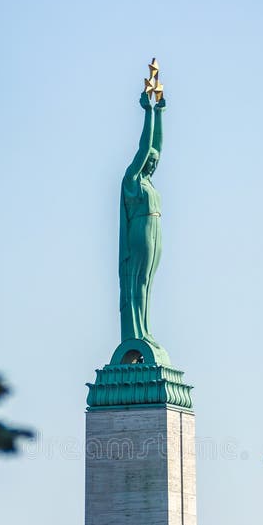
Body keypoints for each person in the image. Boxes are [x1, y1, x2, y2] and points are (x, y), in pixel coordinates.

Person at [119, 91, 166, 345]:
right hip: (140, 233)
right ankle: (135, 331)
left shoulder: (149, 182)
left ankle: (144, 330)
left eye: (155, 162)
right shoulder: (132, 180)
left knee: (147, 282)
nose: (153, 163)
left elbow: (156, 147)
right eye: (151, 161)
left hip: (155, 232)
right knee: (137, 282)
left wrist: (160, 114)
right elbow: (146, 147)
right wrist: (148, 113)